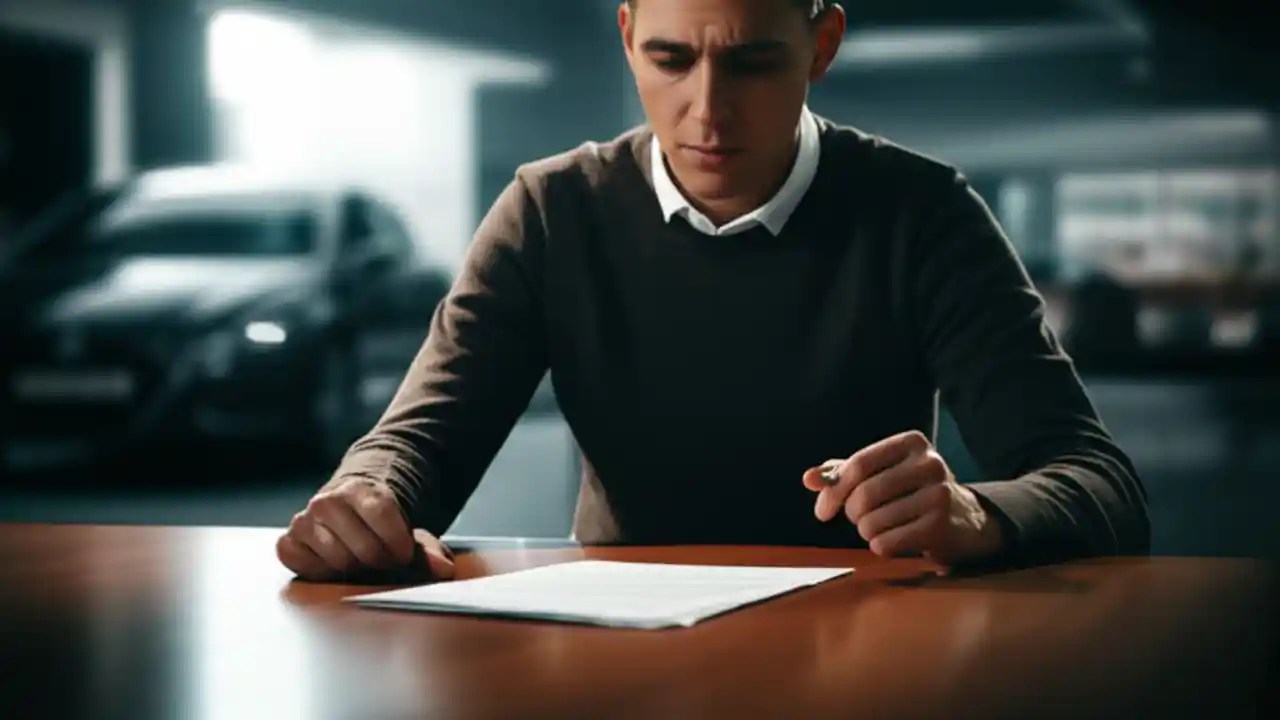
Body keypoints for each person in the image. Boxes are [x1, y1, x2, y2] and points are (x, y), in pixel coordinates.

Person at [276, 0, 1149, 582]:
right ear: (627, 38)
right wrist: (370, 497)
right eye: (670, 57)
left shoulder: (924, 214)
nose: (707, 110)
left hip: (866, 658)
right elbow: (417, 443)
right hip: (619, 653)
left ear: (822, 45)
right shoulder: (551, 211)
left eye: (753, 63)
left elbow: (1101, 484)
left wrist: (973, 514)